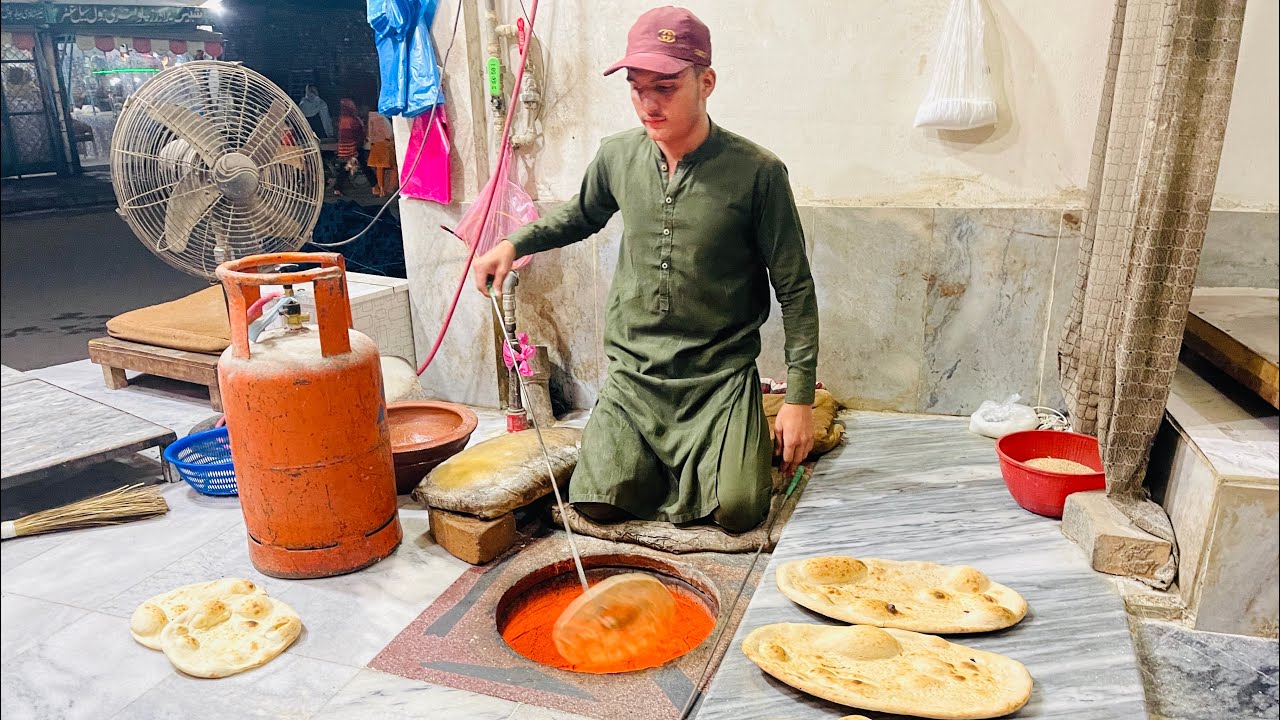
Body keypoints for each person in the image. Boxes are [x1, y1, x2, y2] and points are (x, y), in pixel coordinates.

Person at [472, 7, 818, 533]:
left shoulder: (758, 173)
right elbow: (581, 215)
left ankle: (733, 443)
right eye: (636, 88)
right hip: (635, 376)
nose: (647, 104)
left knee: (741, 510)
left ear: (706, 83)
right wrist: (513, 242)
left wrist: (798, 400)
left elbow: (795, 289)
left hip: (718, 378)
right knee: (598, 502)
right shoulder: (617, 156)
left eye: (665, 87)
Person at [333, 98, 379, 196]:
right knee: (365, 167)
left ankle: (337, 188)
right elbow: (360, 134)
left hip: (344, 149)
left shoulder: (341, 119)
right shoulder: (353, 120)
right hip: (354, 148)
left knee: (344, 168)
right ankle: (375, 186)